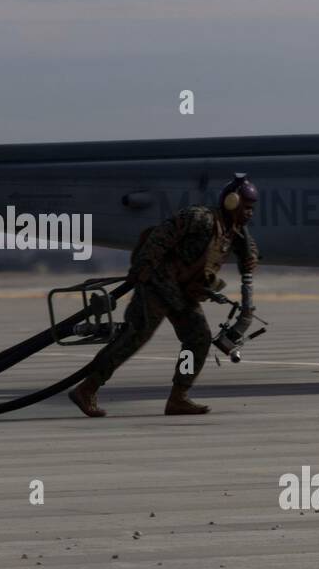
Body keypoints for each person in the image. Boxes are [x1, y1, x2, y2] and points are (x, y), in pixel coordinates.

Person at [69, 174, 259, 417]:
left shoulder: (233, 230)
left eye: (252, 209)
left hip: (183, 293)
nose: (249, 213)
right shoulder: (200, 218)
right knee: (133, 338)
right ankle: (87, 388)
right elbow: (160, 236)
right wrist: (143, 270)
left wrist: (250, 257)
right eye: (246, 207)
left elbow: (249, 252)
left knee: (198, 339)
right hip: (157, 286)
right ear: (232, 202)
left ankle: (179, 397)